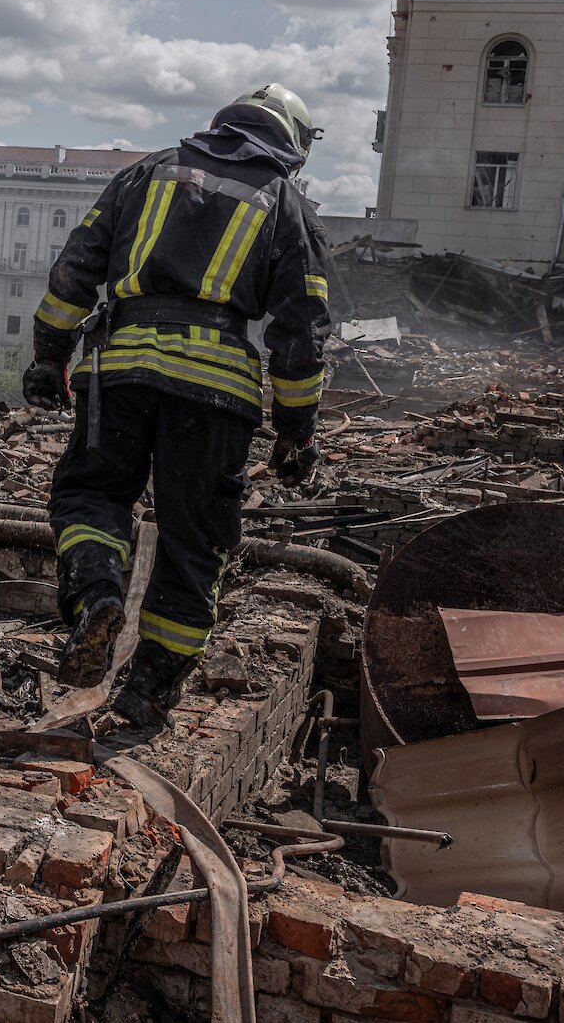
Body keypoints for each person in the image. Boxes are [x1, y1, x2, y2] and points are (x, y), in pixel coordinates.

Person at [20, 85, 332, 726]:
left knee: (92, 494)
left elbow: (76, 267)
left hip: (121, 369)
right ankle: (149, 690)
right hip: (216, 390)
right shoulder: (286, 203)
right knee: (196, 539)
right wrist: (296, 432)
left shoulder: (148, 171)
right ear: (292, 146)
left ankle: (98, 594)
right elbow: (301, 334)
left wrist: (50, 355)